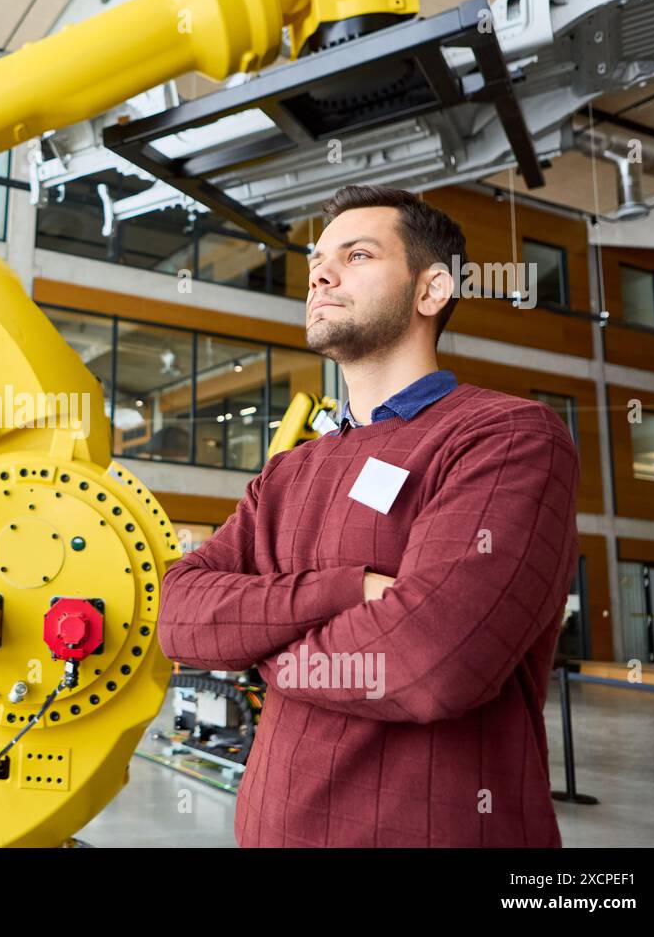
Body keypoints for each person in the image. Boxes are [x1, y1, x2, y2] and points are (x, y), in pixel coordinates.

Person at [157, 184, 579, 847]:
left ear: (432, 291)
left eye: (356, 255)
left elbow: (428, 663)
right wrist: (345, 589)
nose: (320, 274)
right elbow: (177, 612)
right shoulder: (288, 472)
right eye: (317, 261)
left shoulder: (506, 437)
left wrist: (255, 647)